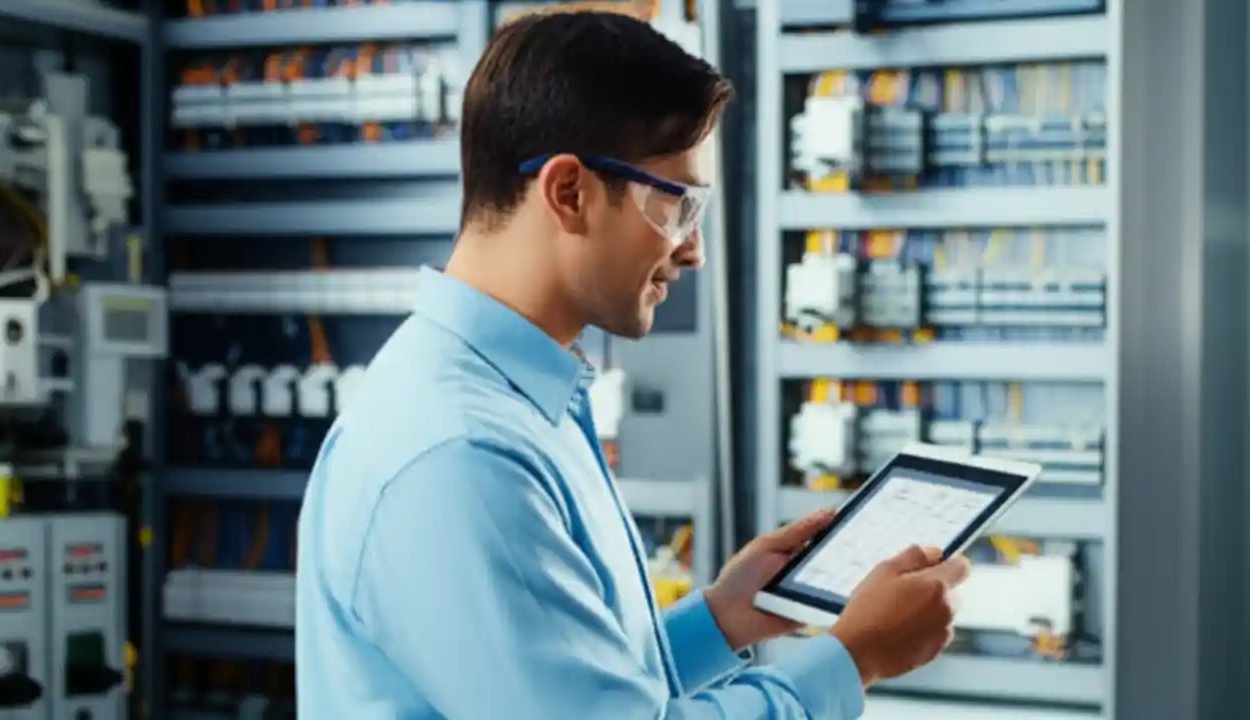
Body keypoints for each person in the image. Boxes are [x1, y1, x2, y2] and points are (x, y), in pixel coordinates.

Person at [294, 10, 969, 719]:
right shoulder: (459, 454)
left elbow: (569, 691)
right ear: (568, 192)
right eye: (676, 206)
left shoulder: (514, 404)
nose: (694, 251)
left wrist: (723, 618)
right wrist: (854, 657)